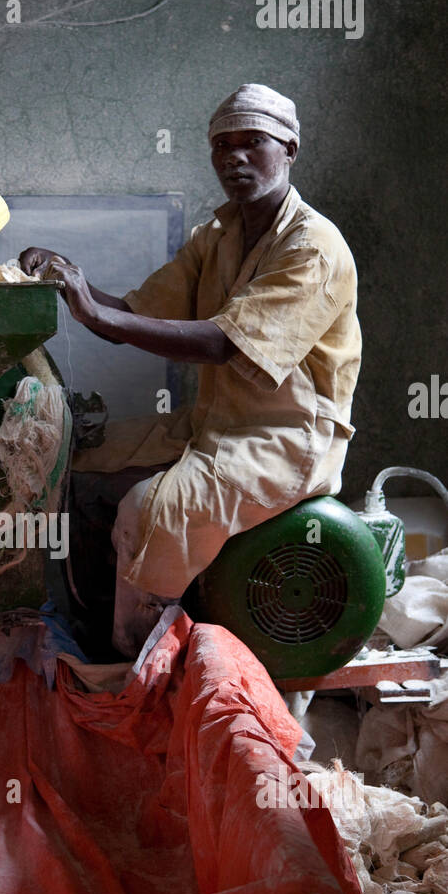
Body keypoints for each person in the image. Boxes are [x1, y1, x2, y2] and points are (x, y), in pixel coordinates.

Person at [20, 83, 362, 658]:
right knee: (77, 461)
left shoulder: (314, 247)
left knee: (149, 508)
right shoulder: (219, 235)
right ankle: (93, 633)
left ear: (291, 149)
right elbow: (132, 313)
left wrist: (95, 311)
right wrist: (67, 274)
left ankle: (138, 662)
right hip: (214, 425)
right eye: (222, 145)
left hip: (285, 441)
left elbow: (222, 344)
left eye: (253, 142)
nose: (234, 157)